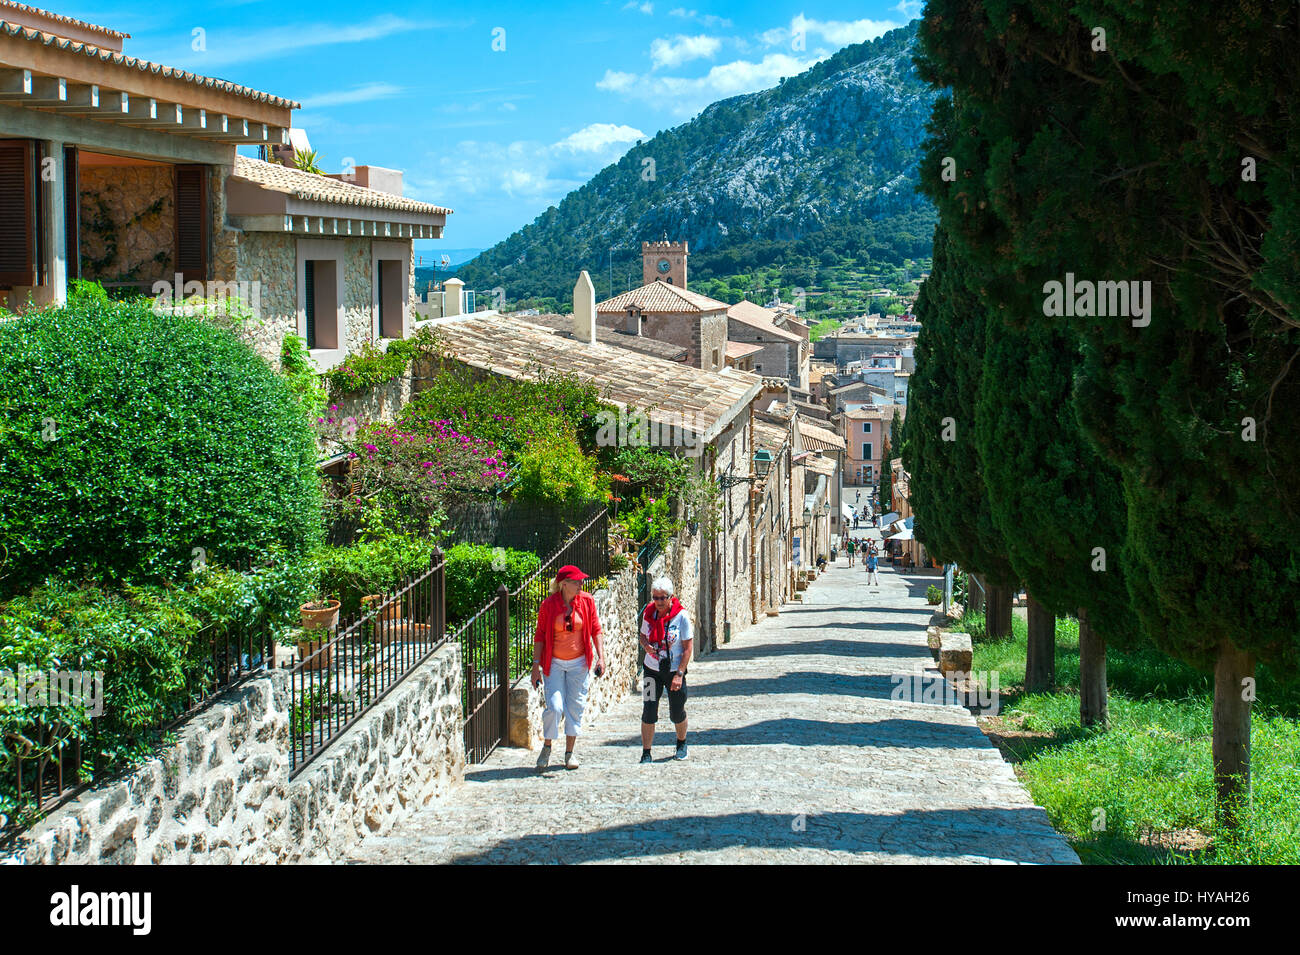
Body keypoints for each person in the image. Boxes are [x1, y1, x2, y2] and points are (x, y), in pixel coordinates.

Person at [531, 564, 606, 771]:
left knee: (575, 707)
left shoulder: (587, 601)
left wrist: (601, 657)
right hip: (554, 663)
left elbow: (596, 630)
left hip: (579, 663)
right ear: (564, 584)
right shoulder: (548, 605)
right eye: (577, 581)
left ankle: (569, 753)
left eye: (581, 580)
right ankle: (547, 747)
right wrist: (535, 667)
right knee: (554, 707)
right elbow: (540, 637)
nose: (581, 584)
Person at [639, 576, 693, 763]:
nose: (659, 602)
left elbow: (687, 648)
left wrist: (679, 674)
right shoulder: (649, 613)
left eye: (663, 598)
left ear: (671, 597)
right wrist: (646, 646)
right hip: (651, 669)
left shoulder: (681, 616)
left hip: (673, 671)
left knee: (677, 711)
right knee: (649, 710)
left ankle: (681, 743)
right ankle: (646, 752)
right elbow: (643, 636)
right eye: (656, 597)